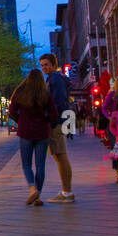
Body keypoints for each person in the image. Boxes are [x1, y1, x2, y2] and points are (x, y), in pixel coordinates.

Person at [8, 69, 60, 207]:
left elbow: (12, 111)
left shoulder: (20, 93)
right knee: (40, 165)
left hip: (25, 132)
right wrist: (46, 120)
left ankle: (32, 189)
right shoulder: (45, 95)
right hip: (42, 133)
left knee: (26, 164)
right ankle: (38, 196)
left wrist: (21, 121)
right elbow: (54, 115)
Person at [38, 54, 76, 203]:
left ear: (54, 64)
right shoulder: (53, 79)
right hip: (58, 121)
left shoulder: (55, 79)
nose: (44, 68)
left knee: (60, 155)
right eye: (42, 65)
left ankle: (67, 193)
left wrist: (51, 120)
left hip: (56, 122)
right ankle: (66, 191)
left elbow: (59, 102)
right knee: (59, 156)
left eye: (46, 64)